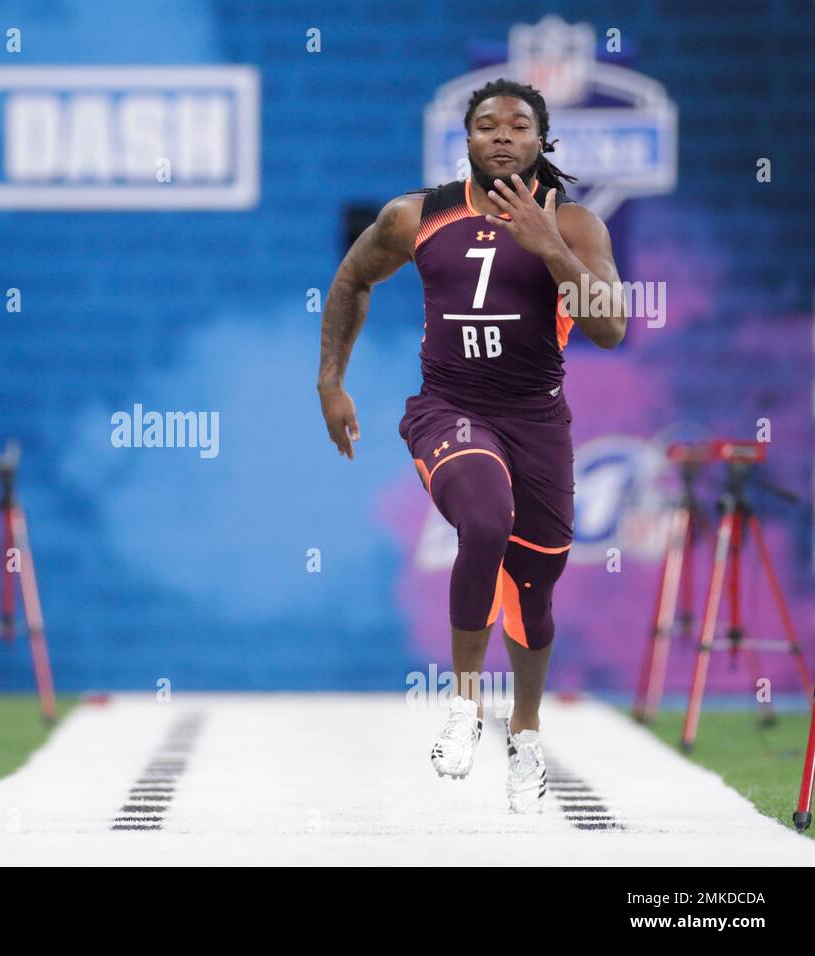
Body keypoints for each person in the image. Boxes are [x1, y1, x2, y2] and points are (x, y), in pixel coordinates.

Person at [316, 78, 625, 812]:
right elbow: (353, 279)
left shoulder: (574, 223)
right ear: (468, 140)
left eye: (519, 125)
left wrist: (549, 247)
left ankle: (525, 732)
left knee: (534, 591)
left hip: (537, 419)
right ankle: (462, 706)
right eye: (487, 125)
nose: (502, 136)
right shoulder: (416, 215)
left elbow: (611, 326)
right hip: (450, 409)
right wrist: (331, 382)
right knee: (484, 520)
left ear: (541, 141)